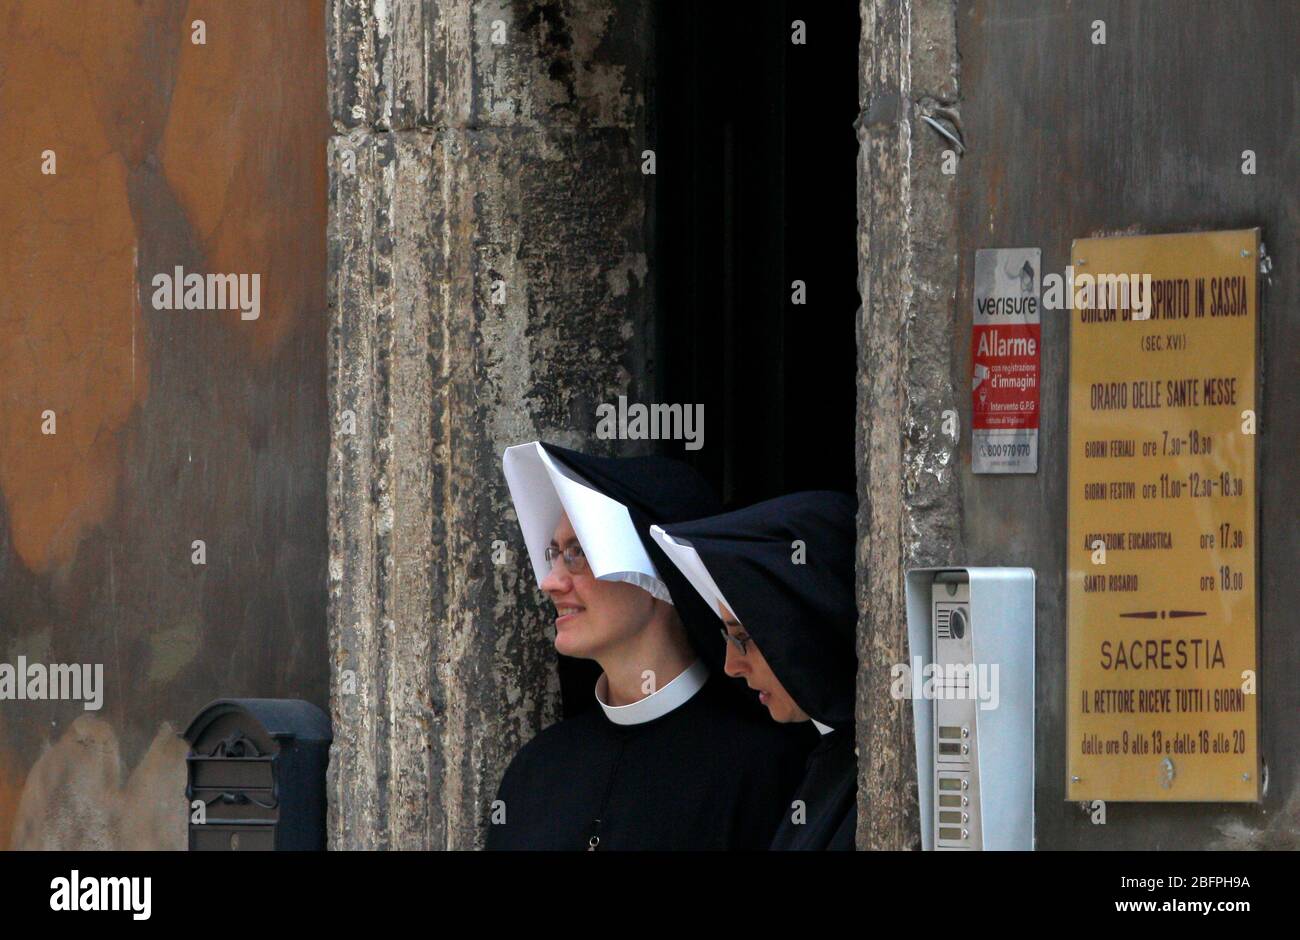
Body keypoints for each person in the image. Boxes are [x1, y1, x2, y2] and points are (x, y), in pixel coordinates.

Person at [486, 441, 814, 851]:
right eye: (554, 553)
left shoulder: (766, 768)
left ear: (652, 575)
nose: (550, 582)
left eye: (578, 553)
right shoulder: (537, 768)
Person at [650, 491, 858, 850]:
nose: (731, 666)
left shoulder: (885, 773)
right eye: (727, 636)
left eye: (744, 636)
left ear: (808, 619)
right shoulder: (828, 764)